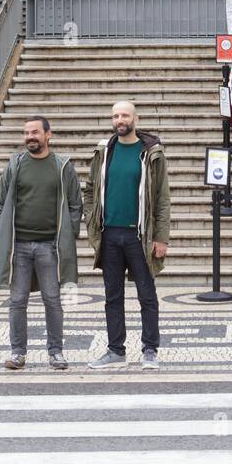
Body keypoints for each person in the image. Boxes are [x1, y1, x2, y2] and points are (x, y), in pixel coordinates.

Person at [84, 101, 170, 370]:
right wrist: (91, 219)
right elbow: (90, 189)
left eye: (124, 115)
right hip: (109, 235)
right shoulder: (104, 151)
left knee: (147, 294)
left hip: (140, 236)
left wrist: (161, 237)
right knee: (112, 296)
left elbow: (162, 198)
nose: (120, 120)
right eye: (115, 116)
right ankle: (115, 350)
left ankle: (150, 349)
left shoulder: (151, 153)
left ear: (136, 118)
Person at [0, 115, 82, 372]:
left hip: (50, 246)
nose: (29, 137)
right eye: (26, 133)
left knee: (53, 300)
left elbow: (76, 204)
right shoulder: (15, 164)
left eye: (34, 132)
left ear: (48, 134)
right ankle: (18, 353)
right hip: (18, 245)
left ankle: (56, 352)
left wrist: (69, 233)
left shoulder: (62, 166)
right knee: (17, 300)